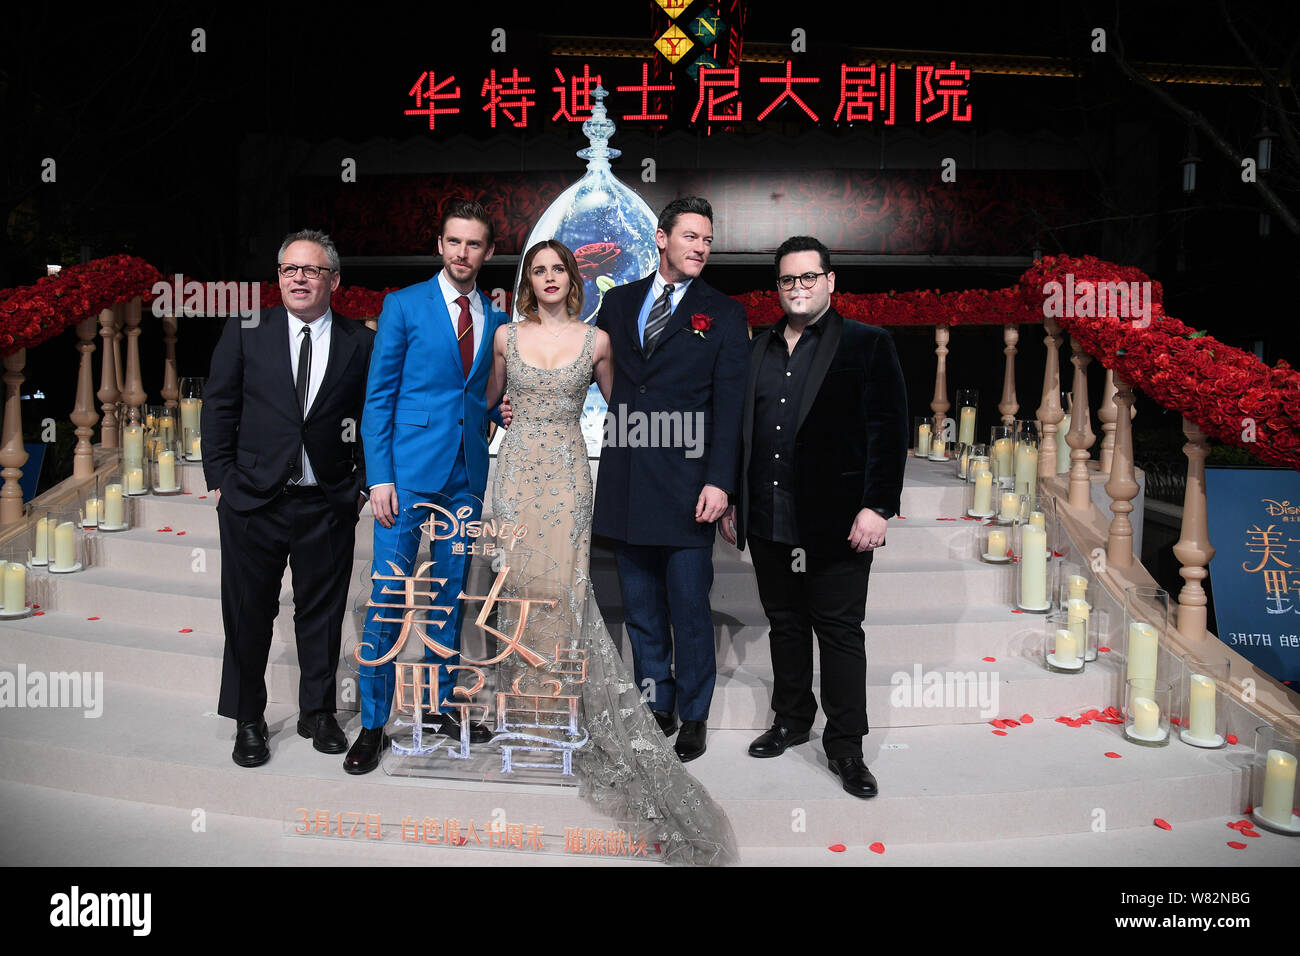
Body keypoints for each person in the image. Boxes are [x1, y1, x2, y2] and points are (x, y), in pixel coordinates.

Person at [486, 238, 737, 865]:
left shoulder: (599, 340)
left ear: (573, 278)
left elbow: (630, 404)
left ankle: (575, 702)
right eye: (537, 269)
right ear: (528, 279)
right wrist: (503, 412)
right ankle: (524, 703)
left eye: (558, 269)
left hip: (571, 475)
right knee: (516, 581)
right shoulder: (503, 338)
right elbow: (487, 403)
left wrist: (693, 466)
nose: (548, 278)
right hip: (516, 474)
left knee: (568, 588)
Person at [721, 235, 908, 798]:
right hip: (771, 518)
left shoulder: (868, 345)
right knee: (785, 624)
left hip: (838, 523)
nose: (797, 288)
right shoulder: (758, 349)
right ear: (777, 287)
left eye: (808, 277)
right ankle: (792, 719)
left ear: (830, 281)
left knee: (840, 632)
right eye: (787, 280)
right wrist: (733, 498)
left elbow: (888, 431)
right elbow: (740, 434)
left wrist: (878, 506)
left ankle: (846, 745)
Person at [346, 199, 509, 775]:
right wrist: (380, 477)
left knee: (448, 595)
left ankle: (439, 705)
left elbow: (470, 398)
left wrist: (496, 409)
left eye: (474, 244)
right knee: (389, 598)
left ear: (488, 251)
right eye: (453, 242)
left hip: (465, 477)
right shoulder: (403, 305)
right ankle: (372, 723)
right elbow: (378, 399)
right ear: (440, 246)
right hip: (407, 478)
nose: (463, 253)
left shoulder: (492, 312)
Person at [201, 229, 374, 767]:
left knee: (321, 614)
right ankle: (248, 718)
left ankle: (317, 711)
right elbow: (219, 404)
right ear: (278, 278)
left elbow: (374, 417)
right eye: (288, 269)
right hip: (253, 499)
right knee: (248, 613)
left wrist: (362, 482)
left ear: (334, 280)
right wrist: (221, 477)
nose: (298, 278)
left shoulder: (360, 342)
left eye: (311, 270)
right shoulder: (247, 328)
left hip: (326, 500)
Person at [590, 197, 749, 763]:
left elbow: (731, 408)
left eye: (707, 239)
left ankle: (696, 713)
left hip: (689, 487)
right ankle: (657, 702)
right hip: (629, 475)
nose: (701, 247)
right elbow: (595, 370)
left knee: (688, 606)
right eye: (690, 237)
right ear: (661, 239)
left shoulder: (724, 314)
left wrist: (720, 482)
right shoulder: (618, 301)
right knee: (641, 607)